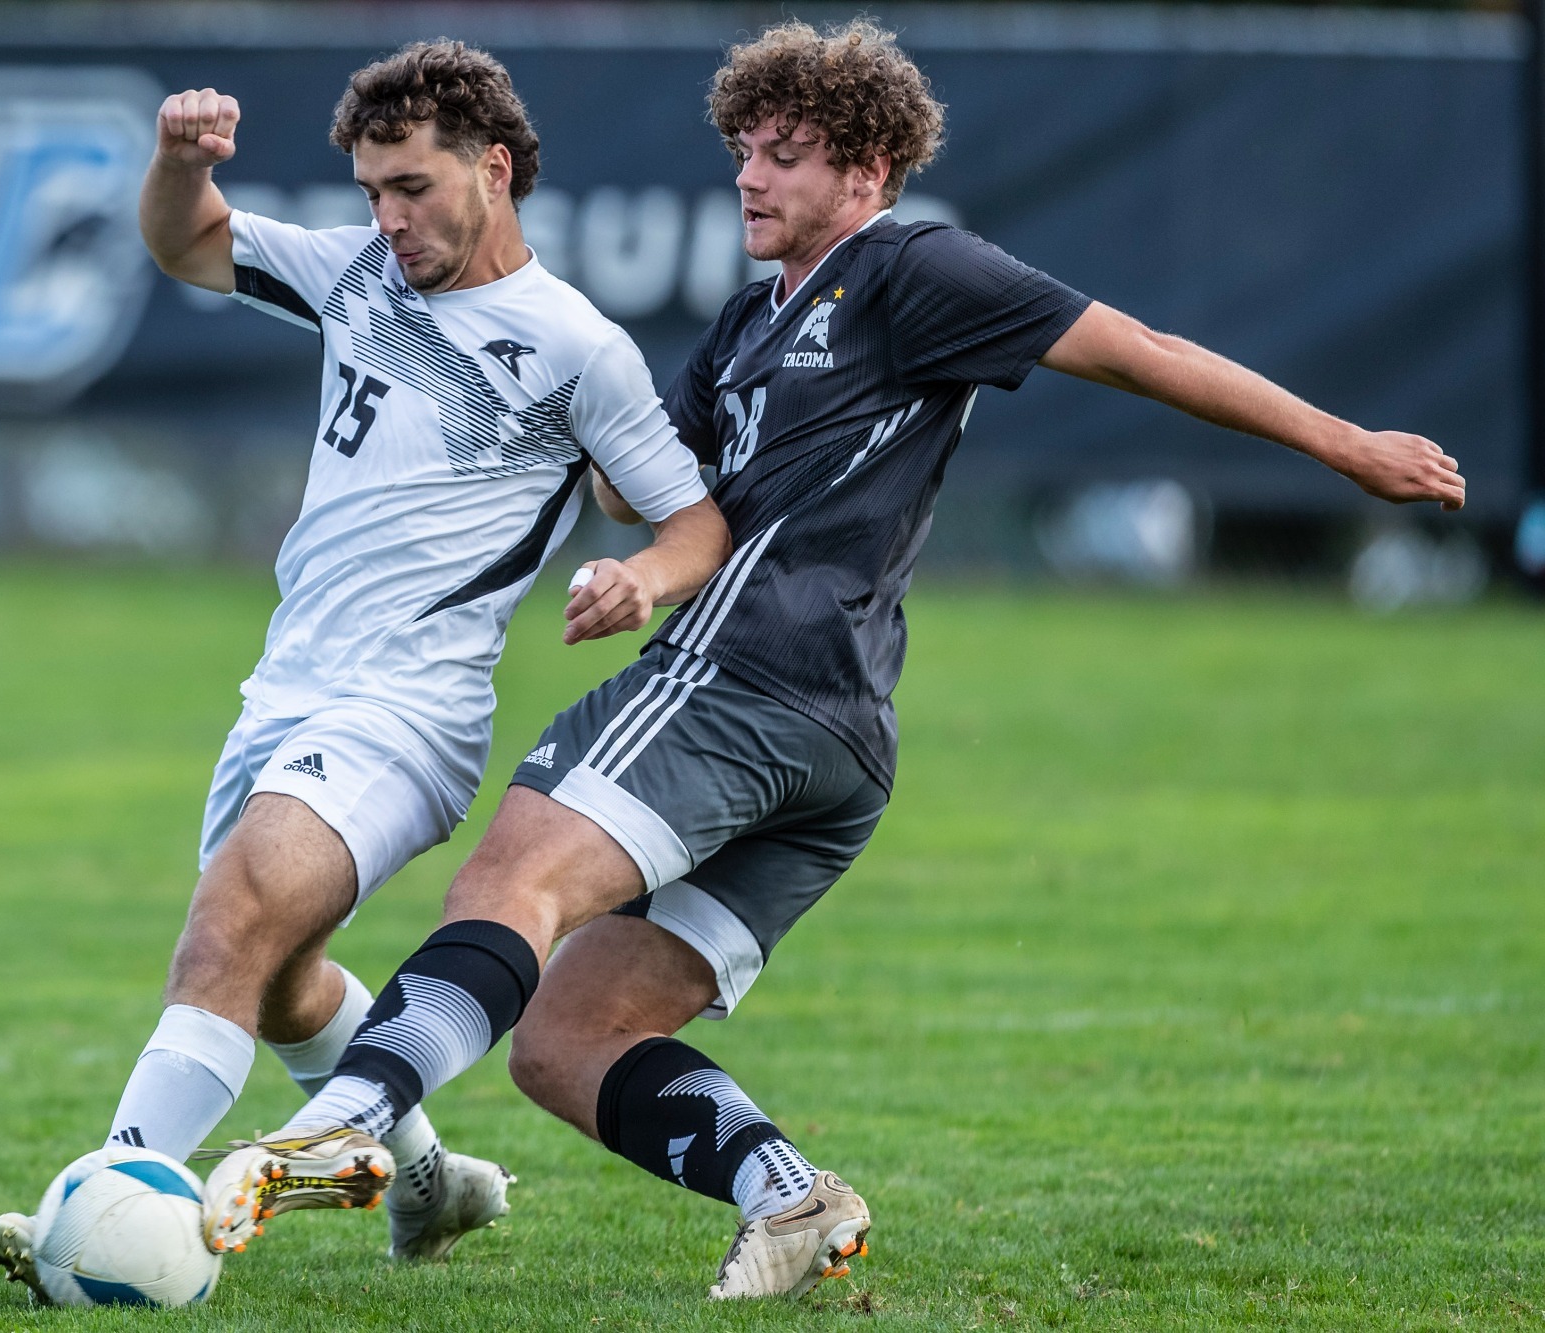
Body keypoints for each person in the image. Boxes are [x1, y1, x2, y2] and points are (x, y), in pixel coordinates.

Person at [203, 17, 1468, 1302]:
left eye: (790, 155)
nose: (751, 177)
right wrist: (553, 463)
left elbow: (1140, 353)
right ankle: (790, 1199)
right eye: (745, 151)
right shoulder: (754, 320)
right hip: (834, 745)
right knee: (571, 1038)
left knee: (506, 882)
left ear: (867, 172)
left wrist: (1344, 444)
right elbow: (640, 485)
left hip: (743, 683)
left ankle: (346, 1119)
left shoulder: (912, 268)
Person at [0, 41, 729, 1302]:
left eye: (414, 188)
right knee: (269, 982)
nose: (389, 218)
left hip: (411, 710)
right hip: (283, 690)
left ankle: (111, 1200)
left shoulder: (575, 348)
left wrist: (642, 579)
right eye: (373, 190)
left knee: (225, 920)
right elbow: (187, 241)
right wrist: (174, 163)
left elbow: (691, 521)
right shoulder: (356, 273)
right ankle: (429, 1182)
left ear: (493, 171)